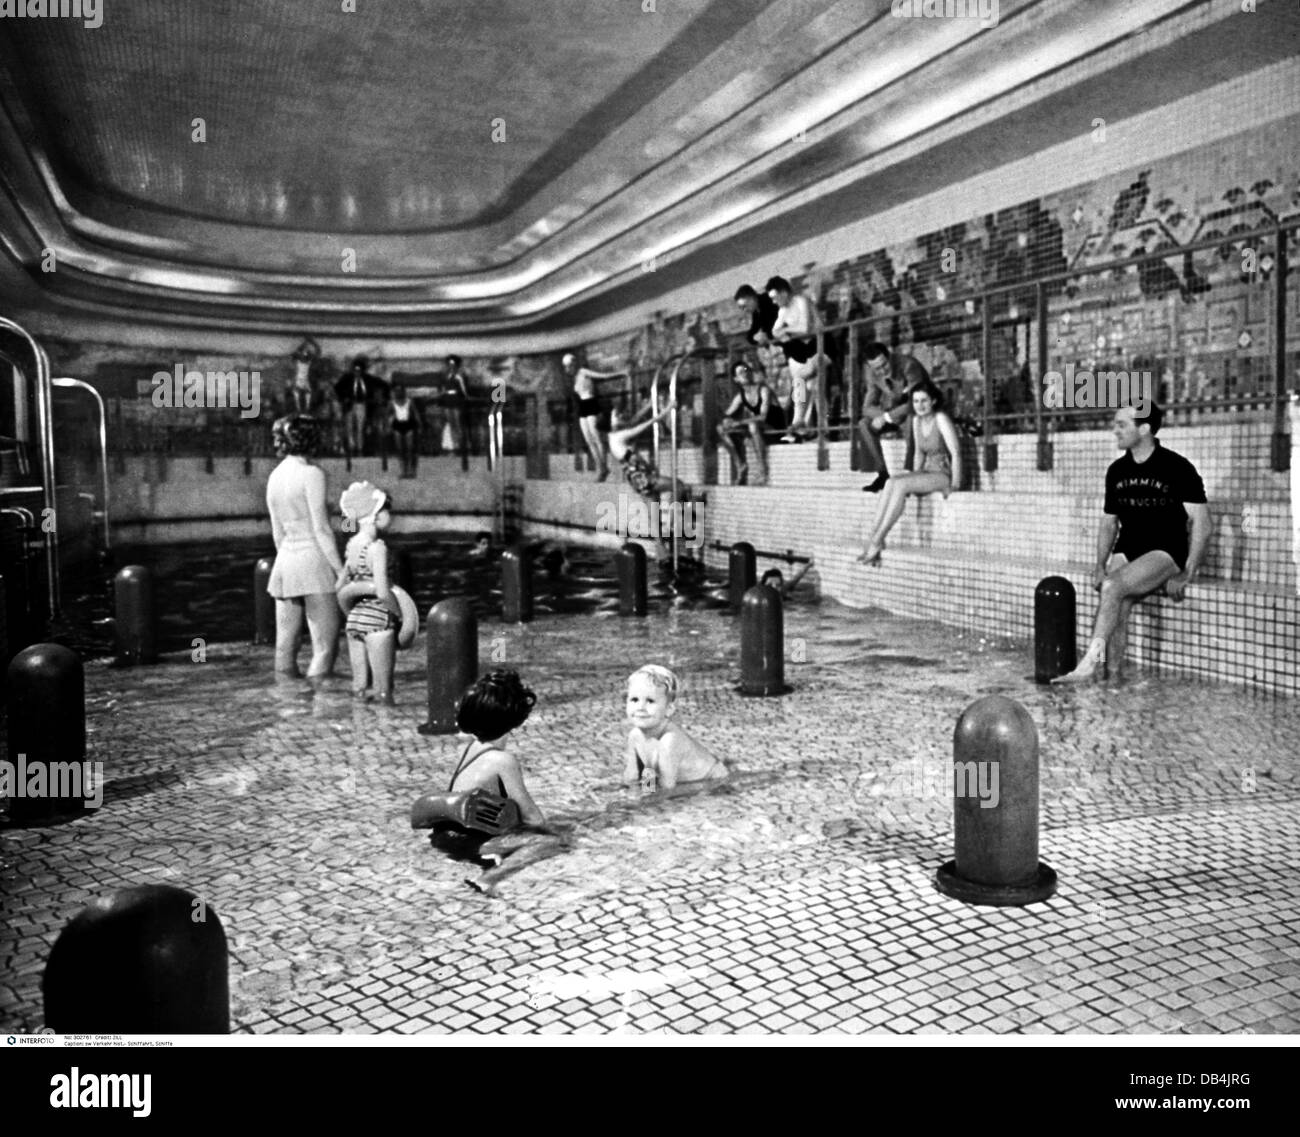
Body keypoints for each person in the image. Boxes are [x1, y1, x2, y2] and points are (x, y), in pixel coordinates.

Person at [1053, 403, 1210, 683]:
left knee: (1113, 588)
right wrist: (1099, 565)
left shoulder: (1176, 467)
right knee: (1117, 604)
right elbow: (1108, 522)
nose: (1115, 430)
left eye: (1122, 425)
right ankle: (1112, 678)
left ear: (1145, 428)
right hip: (1128, 549)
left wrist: (1188, 572)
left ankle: (1088, 665)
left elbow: (1202, 523)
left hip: (1165, 551)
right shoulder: (1117, 471)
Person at [265, 415, 344, 679]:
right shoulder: (312, 474)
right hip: (313, 560)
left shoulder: (274, 477)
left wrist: (289, 559)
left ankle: (287, 704)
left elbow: (277, 533)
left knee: (285, 645)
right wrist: (340, 569)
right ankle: (318, 709)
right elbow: (321, 529)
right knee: (324, 647)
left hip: (285, 559)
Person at [858, 379, 962, 565]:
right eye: (915, 402)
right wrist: (913, 477)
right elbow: (918, 453)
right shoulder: (916, 421)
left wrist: (955, 485)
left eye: (924, 401)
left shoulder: (941, 419)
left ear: (933, 401)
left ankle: (878, 540)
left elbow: (956, 453)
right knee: (891, 482)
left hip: (943, 475)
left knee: (901, 484)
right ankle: (873, 535)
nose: (919, 406)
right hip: (927, 473)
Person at [449, 671, 546, 828]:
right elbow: (532, 818)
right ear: (516, 719)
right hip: (473, 843)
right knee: (555, 842)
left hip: (452, 833)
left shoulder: (470, 749)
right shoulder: (502, 761)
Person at [336, 481, 401, 704]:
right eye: (386, 509)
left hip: (354, 621)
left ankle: (361, 731)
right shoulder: (378, 548)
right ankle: (385, 732)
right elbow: (382, 592)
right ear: (375, 514)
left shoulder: (351, 546)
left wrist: (350, 613)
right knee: (384, 691)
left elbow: (339, 588)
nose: (390, 515)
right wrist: (399, 614)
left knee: (360, 689)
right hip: (378, 621)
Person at [623, 665, 727, 790]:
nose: (641, 707)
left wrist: (639, 801)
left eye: (650, 701)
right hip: (682, 781)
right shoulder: (635, 735)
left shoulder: (670, 741)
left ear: (669, 709)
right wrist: (628, 791)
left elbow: (666, 789)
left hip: (712, 781)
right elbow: (633, 776)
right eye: (634, 699)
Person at [858, 342, 931, 493]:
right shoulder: (872, 373)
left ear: (889, 357)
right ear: (870, 367)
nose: (882, 370)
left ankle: (911, 472)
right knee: (864, 424)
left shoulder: (909, 366)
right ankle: (883, 474)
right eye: (877, 368)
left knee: (912, 418)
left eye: (884, 364)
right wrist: (885, 416)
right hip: (895, 414)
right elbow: (866, 408)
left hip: (919, 411)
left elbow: (916, 402)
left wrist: (888, 416)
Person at [766, 276, 825, 442]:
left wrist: (787, 332)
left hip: (820, 345)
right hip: (803, 350)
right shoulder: (783, 310)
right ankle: (804, 427)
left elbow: (805, 328)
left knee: (808, 382)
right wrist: (788, 332)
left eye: (775, 297)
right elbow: (775, 332)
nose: (774, 302)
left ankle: (809, 425)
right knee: (803, 384)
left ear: (784, 293)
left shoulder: (801, 301)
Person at [562, 351, 627, 481]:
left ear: (574, 364)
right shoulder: (574, 379)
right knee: (589, 440)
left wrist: (620, 373)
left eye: (569, 366)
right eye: (566, 367)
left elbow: (602, 376)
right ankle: (601, 467)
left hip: (590, 403)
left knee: (596, 437)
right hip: (582, 406)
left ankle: (604, 467)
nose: (568, 369)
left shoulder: (583, 372)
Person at [716, 361, 776, 486]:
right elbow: (727, 414)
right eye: (741, 372)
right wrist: (726, 421)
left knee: (752, 426)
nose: (745, 373)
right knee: (721, 429)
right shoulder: (740, 396)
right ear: (736, 379)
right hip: (757, 429)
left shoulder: (763, 389)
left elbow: (764, 416)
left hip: (773, 427)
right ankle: (740, 465)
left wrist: (738, 422)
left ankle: (763, 470)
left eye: (746, 370)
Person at [334, 356, 387, 455]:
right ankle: (351, 446)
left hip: (361, 404)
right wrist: (343, 398)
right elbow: (337, 388)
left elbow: (382, 384)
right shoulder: (347, 378)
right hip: (350, 404)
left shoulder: (367, 378)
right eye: (355, 370)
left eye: (359, 370)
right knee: (349, 427)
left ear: (362, 371)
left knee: (360, 427)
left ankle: (360, 448)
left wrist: (380, 397)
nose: (357, 372)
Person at [388, 383, 419, 478]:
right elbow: (389, 415)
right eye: (396, 391)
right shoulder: (392, 403)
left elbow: (416, 414)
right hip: (398, 426)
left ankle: (410, 470)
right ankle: (402, 470)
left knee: (410, 448)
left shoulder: (410, 402)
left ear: (403, 391)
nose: (398, 392)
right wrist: (388, 426)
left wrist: (419, 425)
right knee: (400, 449)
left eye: (400, 390)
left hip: (408, 425)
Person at [442, 355, 470, 455]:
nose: (451, 367)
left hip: (457, 400)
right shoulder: (446, 376)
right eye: (449, 365)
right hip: (448, 400)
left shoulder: (460, 376)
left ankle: (462, 446)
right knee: (451, 424)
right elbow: (444, 389)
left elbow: (464, 391)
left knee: (458, 424)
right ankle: (454, 446)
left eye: (453, 365)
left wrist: (462, 399)